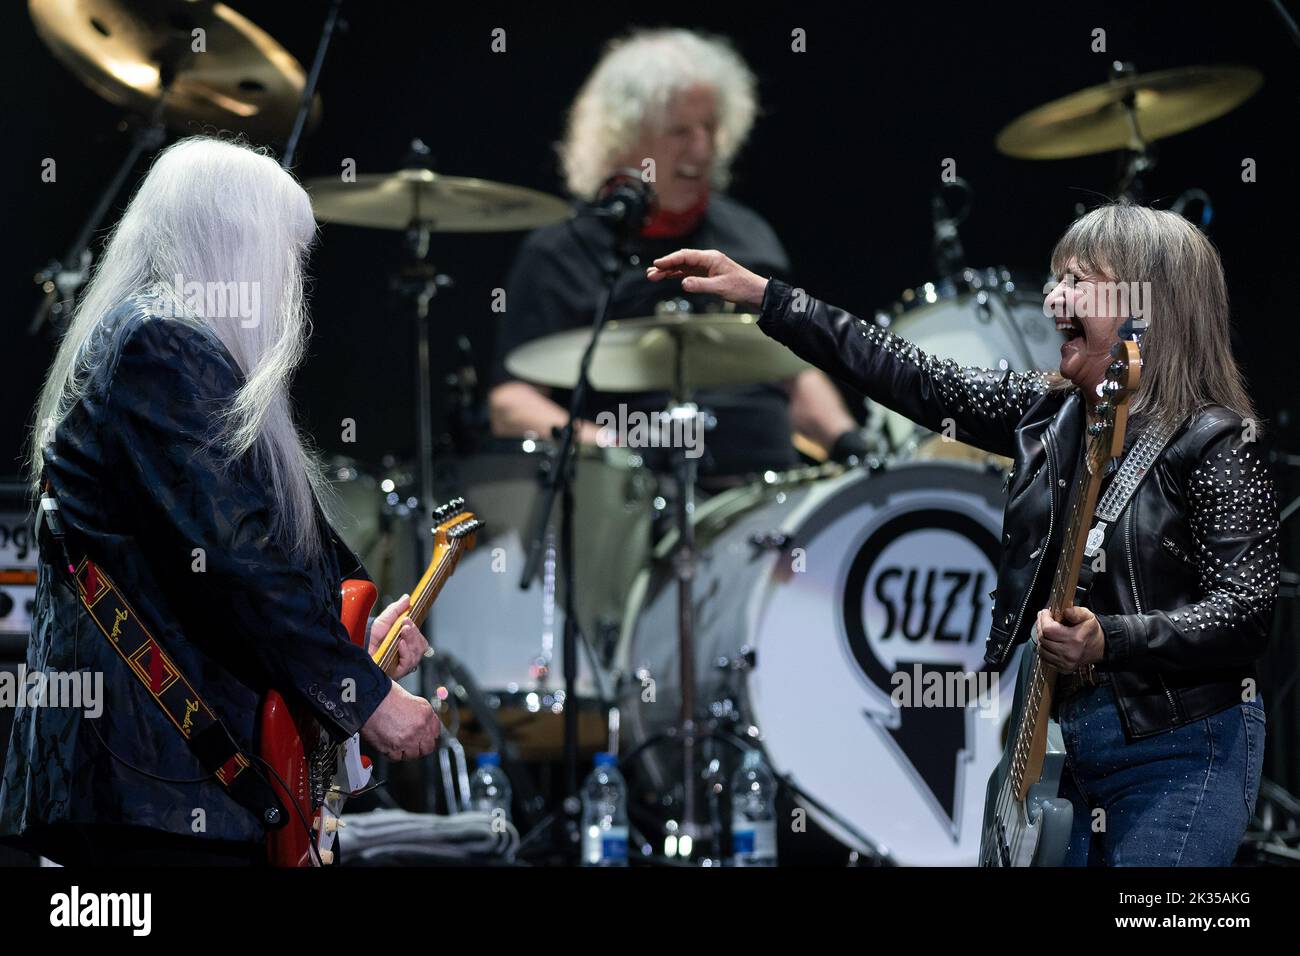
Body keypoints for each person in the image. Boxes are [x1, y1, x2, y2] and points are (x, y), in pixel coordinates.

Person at [648, 202, 1280, 866]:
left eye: (1077, 281)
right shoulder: (1051, 415)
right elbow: (910, 373)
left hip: (1180, 752)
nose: (1051, 299)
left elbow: (1246, 614)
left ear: (1148, 309)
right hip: (1070, 753)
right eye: (1054, 279)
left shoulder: (1214, 442)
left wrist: (1110, 639)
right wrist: (769, 300)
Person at [0, 136, 439, 866]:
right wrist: (366, 696)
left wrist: (351, 636)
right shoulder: (159, 346)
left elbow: (230, 548)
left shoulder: (151, 343)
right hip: (156, 782)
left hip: (162, 780)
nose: (289, 282)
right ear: (234, 245)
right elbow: (237, 565)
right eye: (284, 256)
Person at [489, 28, 861, 481]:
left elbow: (793, 373)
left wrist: (849, 441)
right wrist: (612, 454)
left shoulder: (750, 236)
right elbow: (510, 405)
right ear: (622, 138)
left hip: (766, 497)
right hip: (637, 502)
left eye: (710, 128)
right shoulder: (561, 254)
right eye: (680, 131)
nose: (702, 149)